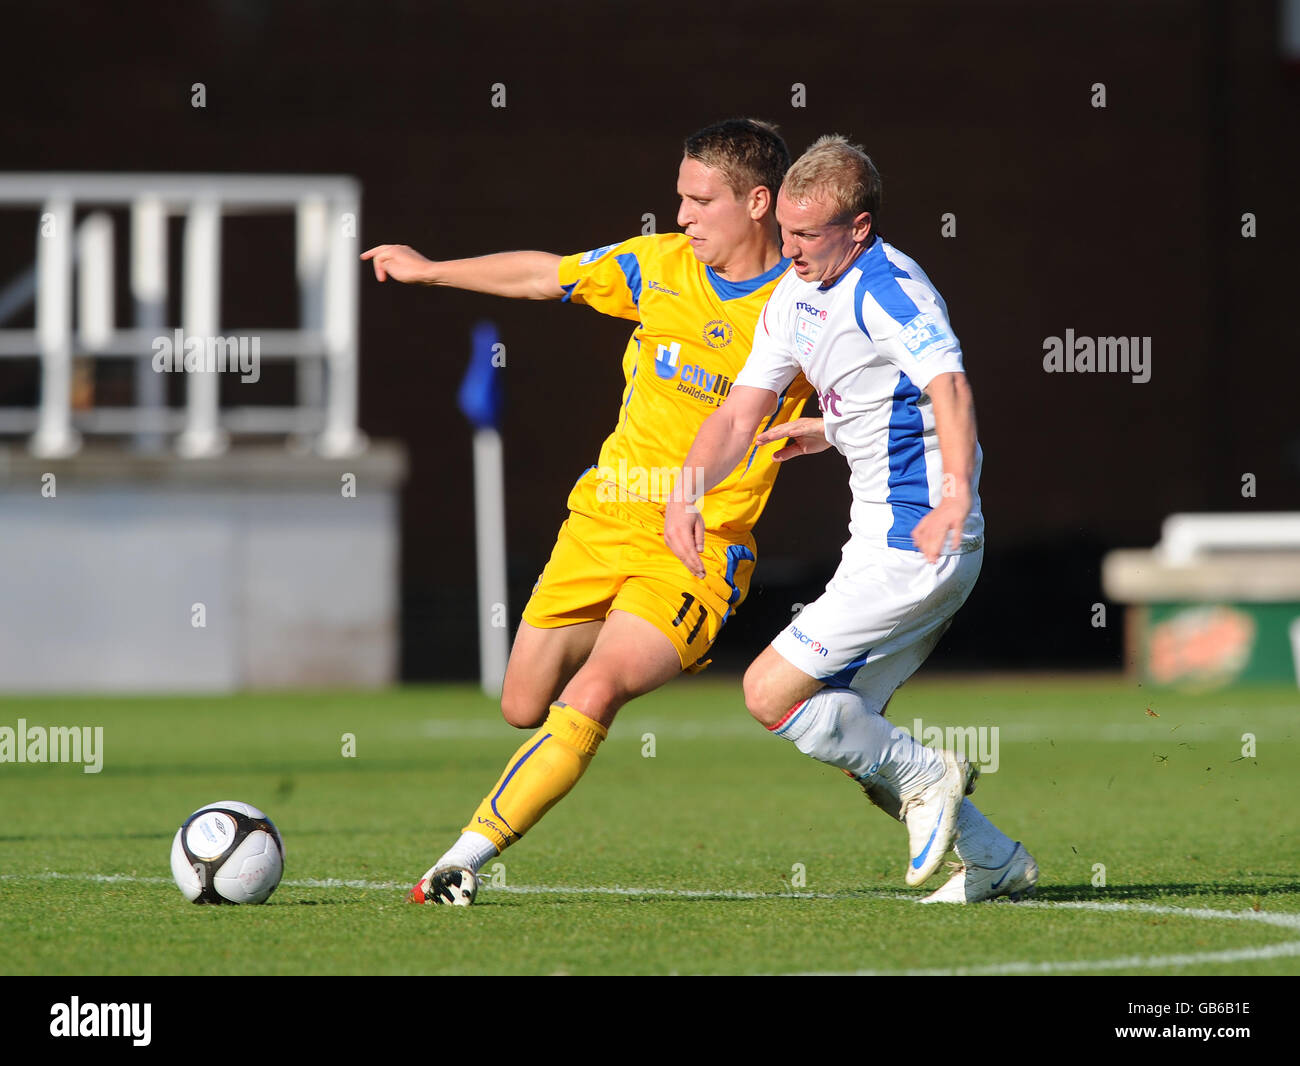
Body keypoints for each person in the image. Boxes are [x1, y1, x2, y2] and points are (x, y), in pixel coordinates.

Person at [362, 119, 814, 904]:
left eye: (700, 201)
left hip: (697, 547)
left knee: (593, 691)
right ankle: (615, 652)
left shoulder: (807, 305)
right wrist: (432, 271)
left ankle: (459, 861)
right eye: (680, 197)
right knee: (521, 705)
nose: (682, 215)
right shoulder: (658, 267)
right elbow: (546, 275)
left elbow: (887, 387)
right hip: (602, 522)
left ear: (758, 202)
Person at [664, 135, 1038, 902]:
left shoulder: (890, 289)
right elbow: (739, 415)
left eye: (808, 234)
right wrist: (686, 491)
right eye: (785, 230)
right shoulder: (794, 293)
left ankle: (931, 774)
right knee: (841, 727)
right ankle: (995, 860)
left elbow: (949, 391)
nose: (790, 249)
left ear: (859, 228)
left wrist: (956, 496)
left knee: (768, 691)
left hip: (920, 540)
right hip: (874, 543)